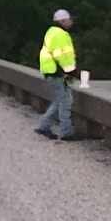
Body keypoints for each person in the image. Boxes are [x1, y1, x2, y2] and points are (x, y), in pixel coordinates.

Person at [35, 9, 80, 140]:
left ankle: (44, 126)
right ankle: (66, 132)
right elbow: (61, 55)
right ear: (63, 21)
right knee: (65, 101)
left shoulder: (51, 32)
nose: (72, 22)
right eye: (70, 19)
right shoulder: (61, 34)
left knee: (60, 100)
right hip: (58, 72)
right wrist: (71, 71)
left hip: (52, 71)